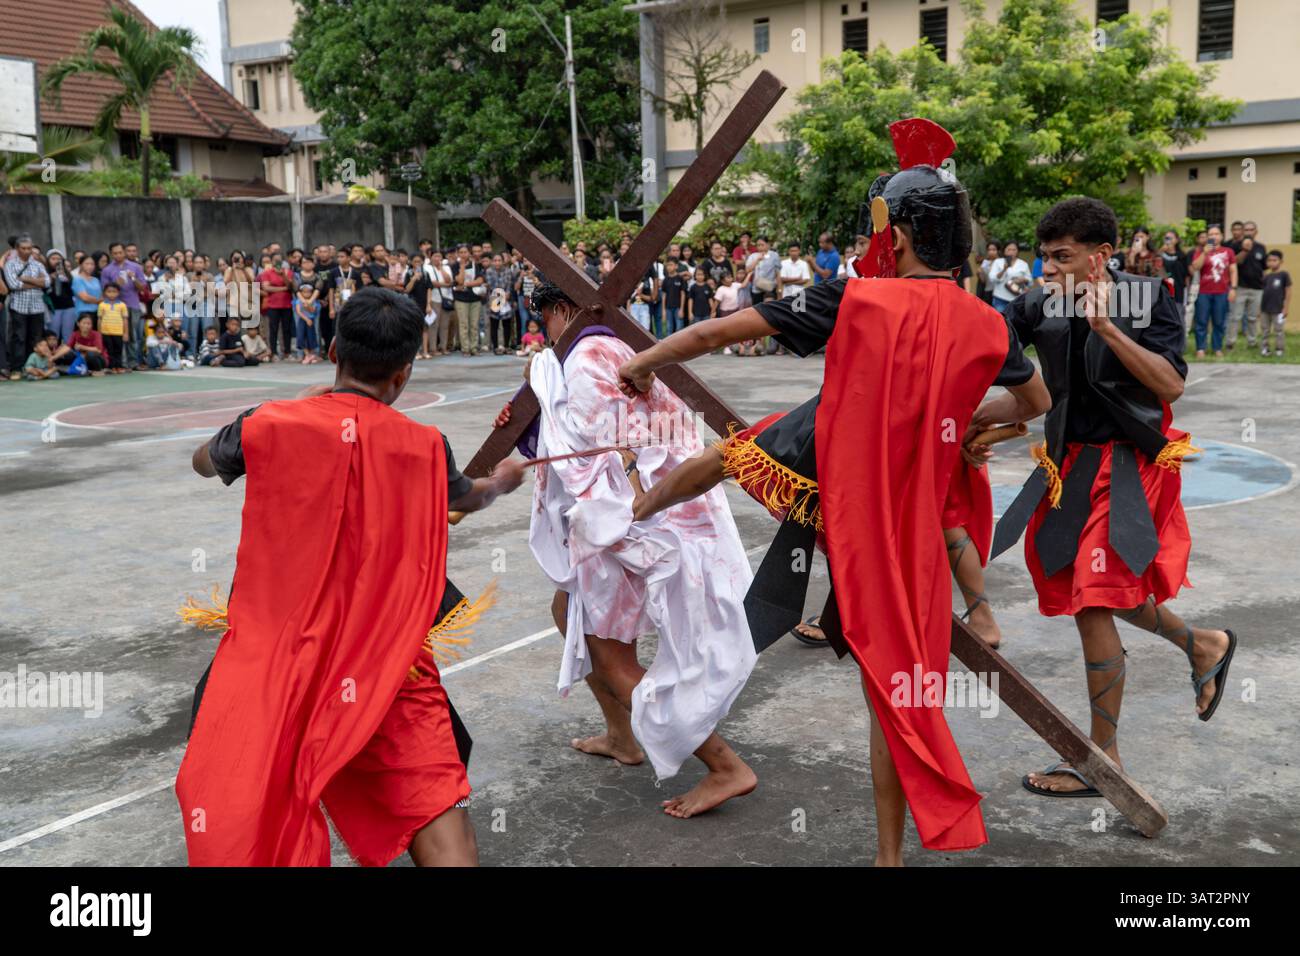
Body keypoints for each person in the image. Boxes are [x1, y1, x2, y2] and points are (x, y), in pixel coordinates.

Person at [616, 119, 1049, 862]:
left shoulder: (855, 299)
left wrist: (643, 362)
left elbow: (716, 334)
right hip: (909, 518)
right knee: (893, 686)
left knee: (731, 455)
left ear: (902, 236)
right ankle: (887, 857)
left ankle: (638, 508)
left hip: (848, 489)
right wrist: (973, 417)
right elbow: (1034, 401)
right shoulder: (990, 323)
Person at [175, 286, 526, 866]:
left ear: (333, 348)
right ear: (405, 373)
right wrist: (505, 481)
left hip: (273, 657)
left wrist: (292, 407)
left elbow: (203, 461)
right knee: (436, 804)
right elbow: (469, 496)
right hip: (383, 656)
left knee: (245, 781)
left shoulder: (265, 424)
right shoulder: (425, 446)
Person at [986, 197, 1236, 799]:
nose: (1049, 269)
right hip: (1067, 468)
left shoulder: (1148, 298)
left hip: (1129, 464)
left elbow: (1171, 382)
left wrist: (1106, 327)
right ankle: (1201, 643)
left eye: (1062, 257)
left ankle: (1104, 760)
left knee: (1095, 600)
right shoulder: (1038, 302)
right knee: (1089, 595)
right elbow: (984, 347)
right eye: (1044, 256)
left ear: (1101, 256)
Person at [491, 280, 758, 819]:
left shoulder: (587, 356)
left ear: (563, 309)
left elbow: (594, 461)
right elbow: (582, 435)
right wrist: (537, 410)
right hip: (653, 515)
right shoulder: (618, 348)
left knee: (612, 658)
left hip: (629, 524)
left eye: (545, 320)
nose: (544, 335)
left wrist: (543, 399)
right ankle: (623, 737)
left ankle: (725, 766)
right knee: (568, 615)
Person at [4, 234, 51, 381]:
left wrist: (26, 279)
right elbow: (13, 285)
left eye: (29, 248)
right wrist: (38, 282)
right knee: (18, 338)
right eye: (23, 248)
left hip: (37, 307)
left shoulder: (38, 264)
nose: (27, 251)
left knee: (36, 339)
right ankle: (16, 368)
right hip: (19, 306)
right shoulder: (10, 264)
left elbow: (47, 282)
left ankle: (33, 368)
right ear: (17, 249)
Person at [100, 242, 150, 370]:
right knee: (118, 336)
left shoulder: (136, 267)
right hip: (115, 307)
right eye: (115, 253)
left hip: (132, 304)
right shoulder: (107, 270)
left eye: (120, 252)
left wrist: (133, 279)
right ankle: (121, 362)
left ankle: (133, 362)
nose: (118, 255)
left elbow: (142, 288)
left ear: (124, 252)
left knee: (132, 335)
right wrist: (115, 284)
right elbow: (104, 290)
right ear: (111, 254)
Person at [1190, 224, 1236, 357]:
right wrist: (1205, 252)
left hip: (1221, 291)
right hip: (1204, 291)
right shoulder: (1200, 251)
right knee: (1201, 321)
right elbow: (1196, 267)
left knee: (1219, 321)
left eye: (1216, 234)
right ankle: (1201, 348)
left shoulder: (1228, 251)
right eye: (1211, 235)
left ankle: (1217, 348)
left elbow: (1233, 270)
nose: (1213, 237)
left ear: (1221, 236)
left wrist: (1233, 288)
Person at [1227, 232, 1268, 351]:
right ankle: (1230, 343)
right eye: (1247, 229)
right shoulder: (1236, 246)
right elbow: (1235, 263)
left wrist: (1263, 283)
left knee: (1253, 318)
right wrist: (1245, 249)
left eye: (1252, 229)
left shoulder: (1261, 247)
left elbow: (1264, 267)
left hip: (1257, 288)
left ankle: (1252, 342)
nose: (1249, 232)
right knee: (1235, 316)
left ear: (1256, 231)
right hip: (1240, 287)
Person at [259, 254, 295, 360]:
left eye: (279, 260)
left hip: (286, 304)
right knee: (273, 329)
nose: (278, 262)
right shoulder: (266, 273)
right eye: (275, 260)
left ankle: (287, 352)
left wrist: (283, 275)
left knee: (286, 329)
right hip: (273, 305)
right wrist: (283, 289)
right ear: (272, 261)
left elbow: (290, 287)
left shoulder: (288, 272)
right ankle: (274, 353)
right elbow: (266, 288)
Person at [1259, 250, 1291, 357]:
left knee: (1279, 330)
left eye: (1274, 260)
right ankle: (1265, 349)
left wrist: (1285, 307)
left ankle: (1279, 349)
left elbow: (1288, 291)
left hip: (1278, 309)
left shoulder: (1284, 275)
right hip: (1265, 309)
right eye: (1269, 260)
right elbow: (1263, 293)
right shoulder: (1266, 276)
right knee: (1265, 330)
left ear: (1281, 261)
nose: (1272, 263)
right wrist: (1260, 309)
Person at [987, 241, 1032, 315]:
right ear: (1004, 251)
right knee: (1000, 322)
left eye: (1014, 250)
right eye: (1009, 249)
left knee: (1014, 323)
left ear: (1017, 251)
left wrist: (1023, 279)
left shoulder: (1023, 264)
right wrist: (1004, 270)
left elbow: (1030, 281)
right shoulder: (998, 262)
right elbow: (992, 279)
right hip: (1000, 298)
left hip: (1017, 299)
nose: (1011, 252)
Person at [46, 250, 78, 345]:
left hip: (69, 307)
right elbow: (45, 290)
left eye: (59, 259)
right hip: (54, 308)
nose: (56, 261)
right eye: (53, 258)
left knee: (68, 335)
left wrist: (65, 278)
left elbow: (71, 292)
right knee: (54, 335)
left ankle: (68, 356)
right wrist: (51, 278)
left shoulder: (66, 274)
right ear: (48, 260)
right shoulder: (45, 273)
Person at [96, 282, 129, 372]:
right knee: (109, 350)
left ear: (118, 293)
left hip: (118, 332)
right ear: (105, 293)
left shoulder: (122, 305)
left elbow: (125, 320)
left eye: (114, 292)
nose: (111, 294)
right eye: (109, 291)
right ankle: (111, 367)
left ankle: (118, 366)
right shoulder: (102, 305)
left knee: (118, 350)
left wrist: (126, 333)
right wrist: (99, 333)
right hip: (106, 332)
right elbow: (99, 319)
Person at [293, 281, 322, 365]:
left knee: (311, 337)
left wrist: (308, 305)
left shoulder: (313, 302)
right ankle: (307, 354)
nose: (306, 294)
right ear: (301, 293)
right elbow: (298, 312)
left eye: (308, 292)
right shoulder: (298, 301)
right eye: (304, 292)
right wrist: (306, 319)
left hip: (311, 320)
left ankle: (312, 354)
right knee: (301, 336)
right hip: (303, 320)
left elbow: (312, 311)